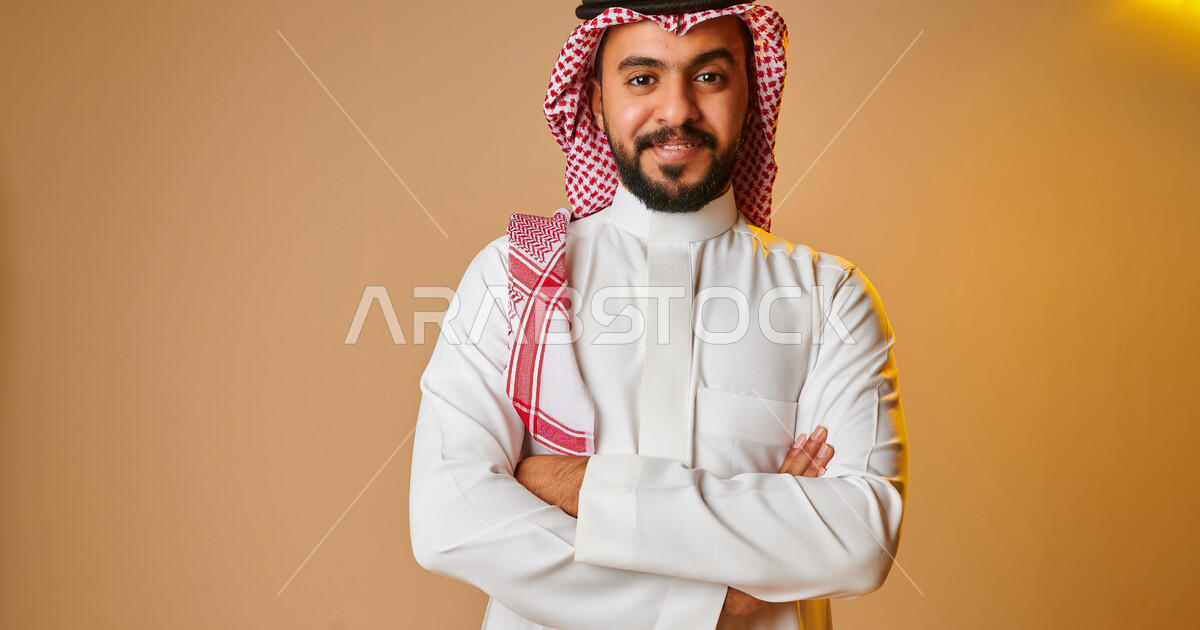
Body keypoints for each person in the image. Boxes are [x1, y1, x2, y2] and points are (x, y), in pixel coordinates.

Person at [408, 2, 908, 628]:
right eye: (643, 78)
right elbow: (446, 517)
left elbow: (861, 538)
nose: (676, 111)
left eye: (708, 77)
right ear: (594, 100)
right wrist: (711, 602)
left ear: (750, 93)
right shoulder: (514, 271)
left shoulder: (830, 295)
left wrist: (573, 486)